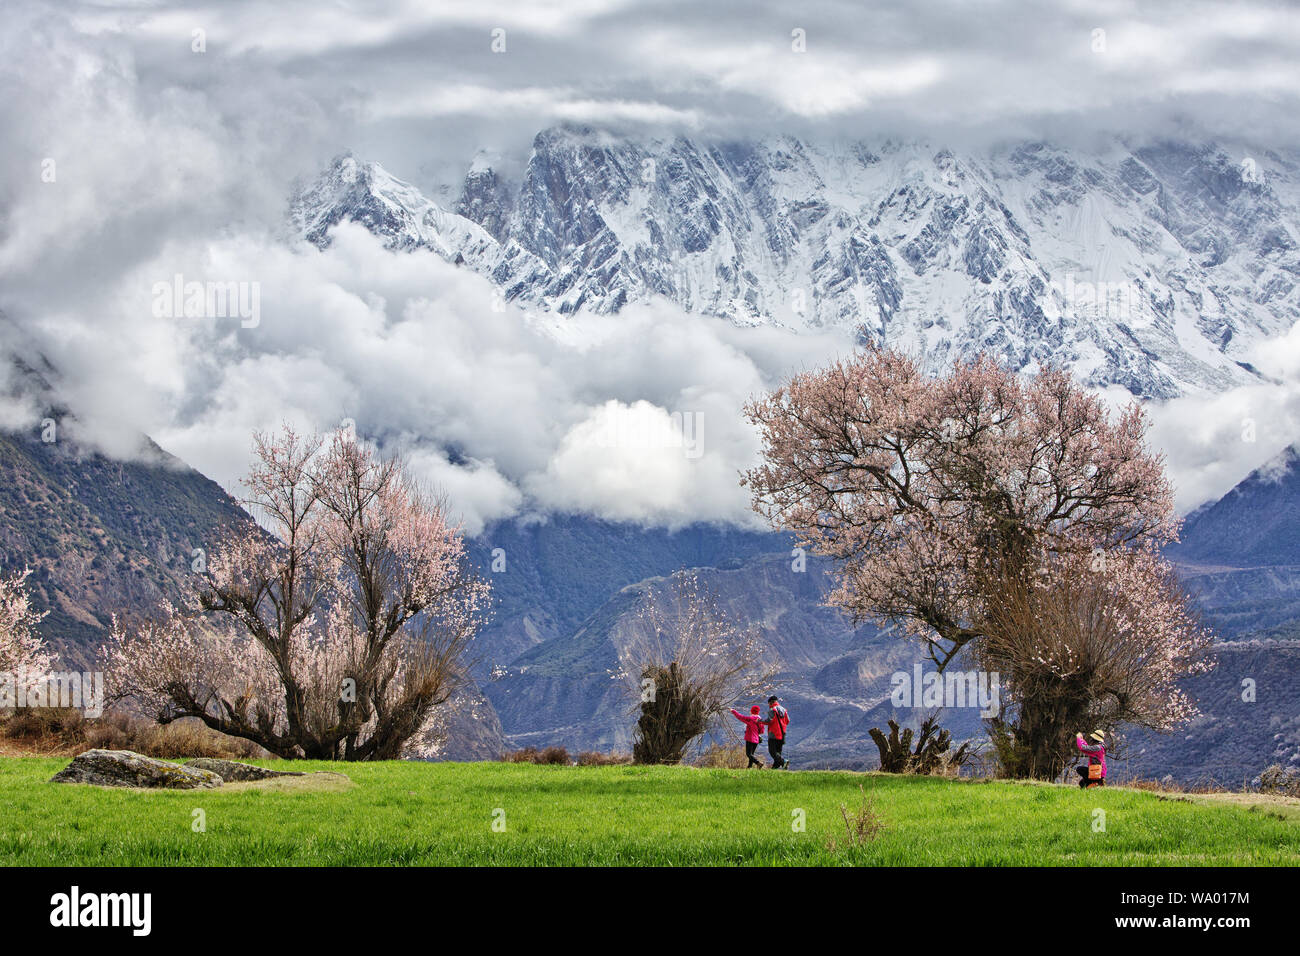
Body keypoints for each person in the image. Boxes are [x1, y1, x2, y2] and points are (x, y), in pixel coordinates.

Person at [766, 695, 790, 769]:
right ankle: (774, 768)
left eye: (769, 704)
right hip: (782, 734)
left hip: (773, 734)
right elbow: (788, 720)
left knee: (772, 751)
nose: (769, 706)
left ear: (771, 703)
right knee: (778, 752)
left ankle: (783, 762)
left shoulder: (772, 710)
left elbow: (769, 721)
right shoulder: (784, 710)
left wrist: (760, 721)